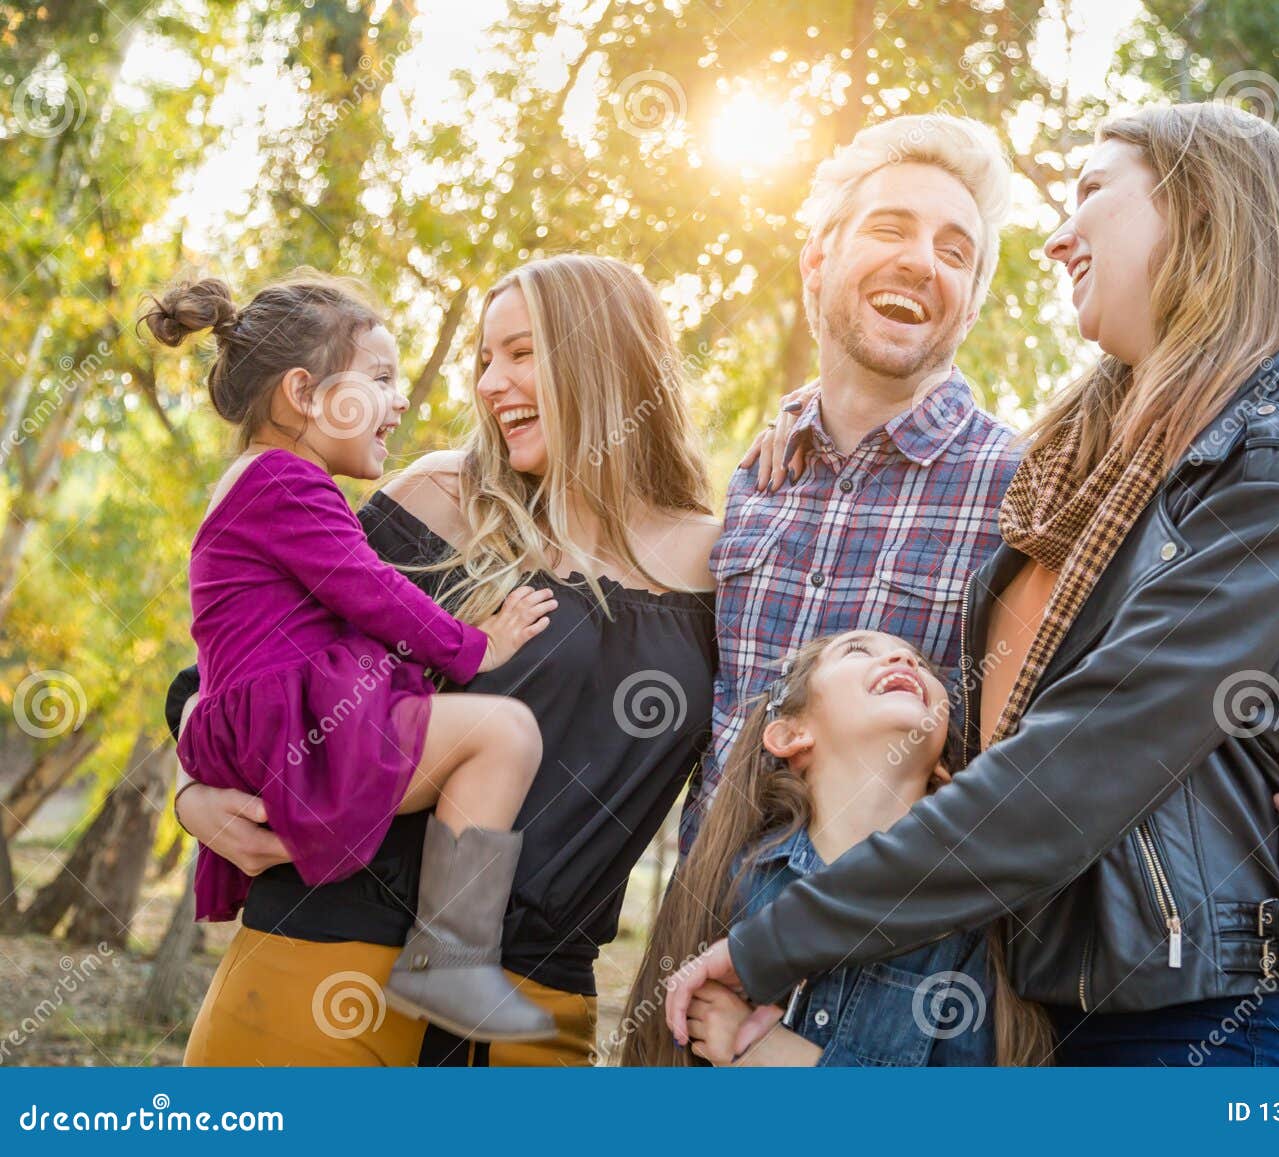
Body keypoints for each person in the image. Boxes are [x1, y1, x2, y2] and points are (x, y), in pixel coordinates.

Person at [666, 103, 1279, 1066]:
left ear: (1200, 215)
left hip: (1126, 1005)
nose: (1057, 236)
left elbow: (1075, 764)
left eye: (1091, 192)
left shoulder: (1254, 465)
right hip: (787, 965)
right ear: (816, 259)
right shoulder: (1081, 477)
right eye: (889, 229)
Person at [166, 254, 720, 1065]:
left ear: (608, 356)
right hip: (326, 961)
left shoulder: (725, 565)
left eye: (522, 353)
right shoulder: (440, 500)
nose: (491, 384)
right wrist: (191, 795)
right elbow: (236, 667)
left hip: (534, 1005)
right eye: (484, 360)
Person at [147, 272, 558, 1041]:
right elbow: (375, 592)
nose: (399, 400)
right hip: (289, 728)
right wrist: (479, 643)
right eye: (380, 379)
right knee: (504, 734)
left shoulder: (257, 483)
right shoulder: (285, 483)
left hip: (256, 724)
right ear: (305, 393)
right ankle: (452, 957)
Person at [621, 630, 1050, 1067]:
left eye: (921, 664)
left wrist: (780, 1056)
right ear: (791, 734)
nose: (904, 657)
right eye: (859, 650)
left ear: (941, 763)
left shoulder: (967, 913)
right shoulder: (736, 885)